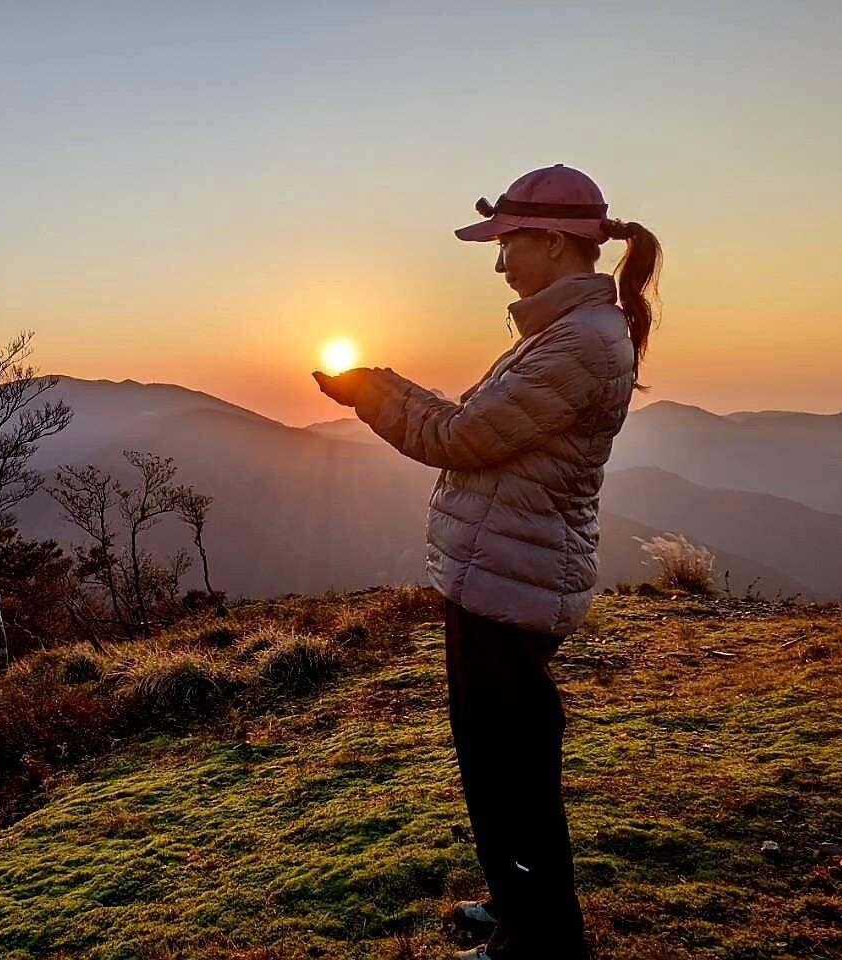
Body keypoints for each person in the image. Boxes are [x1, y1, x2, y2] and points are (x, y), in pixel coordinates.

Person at [313, 163, 661, 960]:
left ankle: (538, 940)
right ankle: (522, 910)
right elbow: (476, 422)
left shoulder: (575, 345)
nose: (500, 263)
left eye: (507, 244)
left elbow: (459, 438)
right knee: (502, 761)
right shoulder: (567, 335)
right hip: (505, 571)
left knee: (511, 769)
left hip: (513, 578)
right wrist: (383, 383)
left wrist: (372, 391)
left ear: (552, 242)